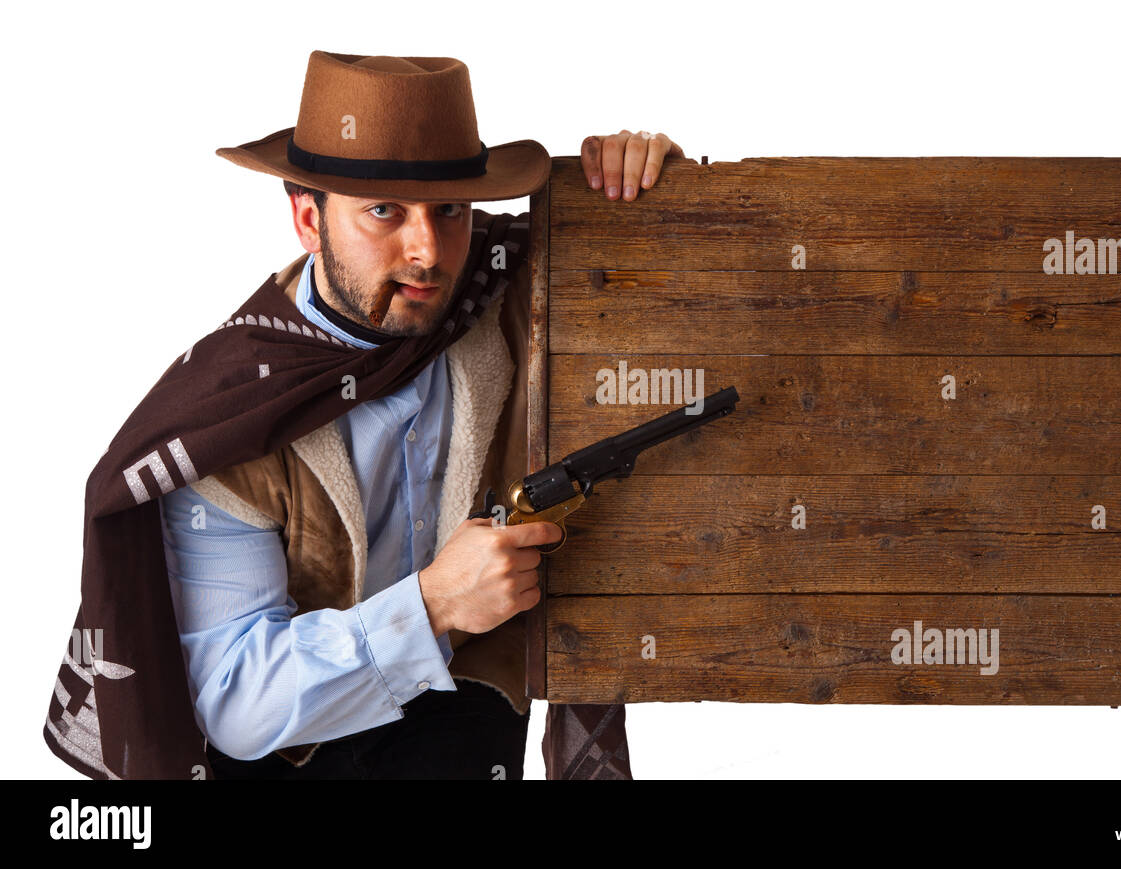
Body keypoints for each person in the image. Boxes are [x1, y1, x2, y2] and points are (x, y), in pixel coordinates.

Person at [43, 50, 687, 781]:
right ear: (308, 219)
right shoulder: (230, 417)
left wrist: (658, 190)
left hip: (468, 745)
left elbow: (672, 282)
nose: (428, 250)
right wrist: (435, 602)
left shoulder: (512, 291)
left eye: (449, 209)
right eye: (385, 209)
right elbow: (238, 700)